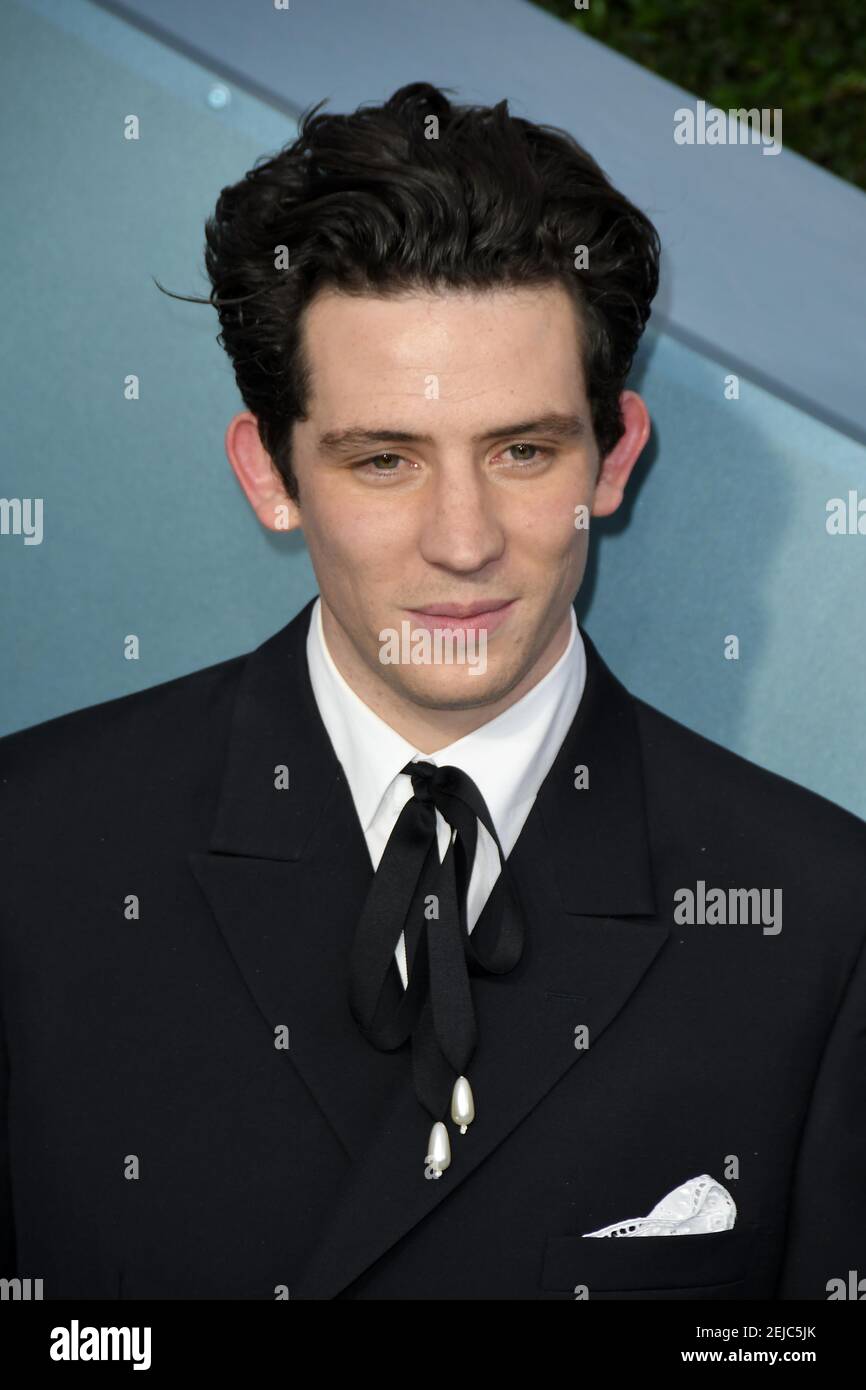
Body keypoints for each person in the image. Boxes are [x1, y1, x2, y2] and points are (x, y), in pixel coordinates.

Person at [1, 82, 863, 1302]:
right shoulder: (32, 851)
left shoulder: (824, 921)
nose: (463, 542)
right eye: (384, 460)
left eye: (522, 451)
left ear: (613, 455)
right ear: (270, 472)